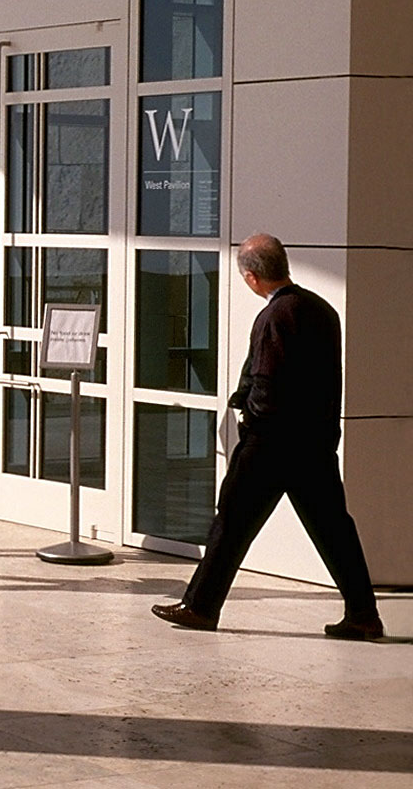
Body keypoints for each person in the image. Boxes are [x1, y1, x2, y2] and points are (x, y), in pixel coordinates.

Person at [152, 234, 384, 640]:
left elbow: (265, 379)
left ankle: (200, 607)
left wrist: (250, 421)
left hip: (271, 443)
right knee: (334, 529)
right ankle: (363, 614)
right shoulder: (322, 310)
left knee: (231, 523)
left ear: (252, 276)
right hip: (314, 444)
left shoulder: (275, 317)